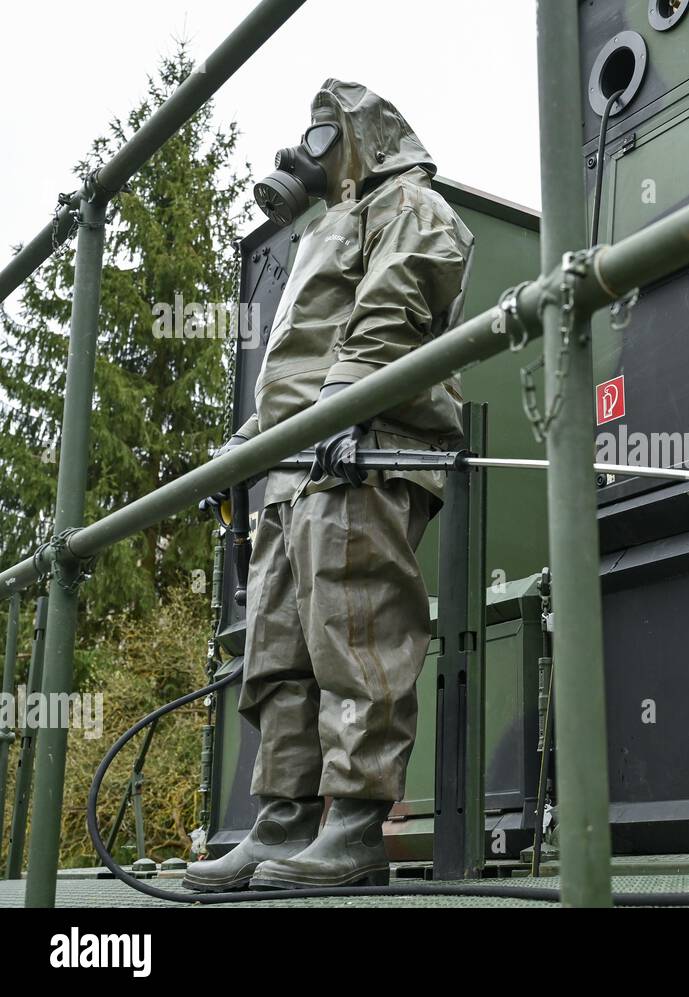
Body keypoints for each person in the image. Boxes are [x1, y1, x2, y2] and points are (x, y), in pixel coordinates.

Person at [184, 79, 474, 892]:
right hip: (292, 458)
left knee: (356, 624)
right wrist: (248, 448)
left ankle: (352, 825)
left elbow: (395, 307)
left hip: (362, 440)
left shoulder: (411, 205)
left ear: (362, 137)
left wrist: (347, 402)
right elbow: (293, 361)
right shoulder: (327, 228)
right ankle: (281, 819)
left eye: (325, 134)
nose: (311, 151)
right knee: (278, 648)